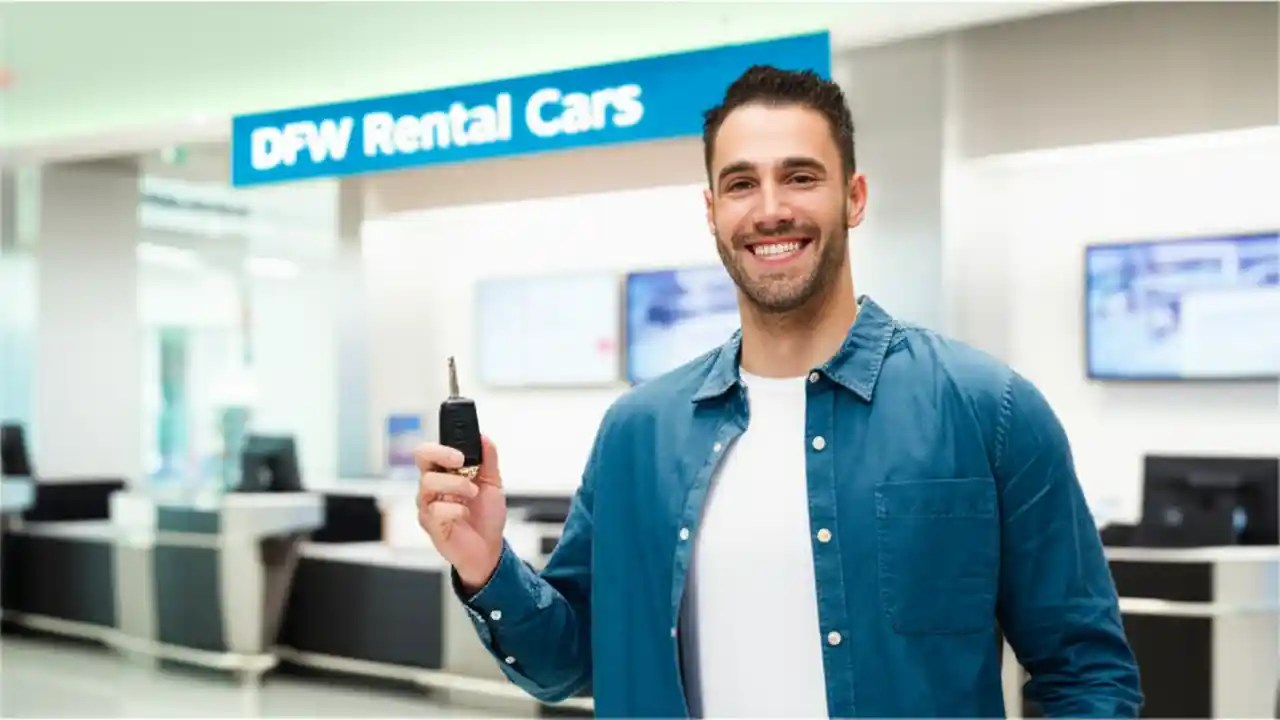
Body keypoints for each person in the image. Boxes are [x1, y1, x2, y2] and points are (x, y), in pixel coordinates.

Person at [415, 65, 1143, 718]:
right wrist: (486, 564)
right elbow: (567, 664)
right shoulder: (638, 432)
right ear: (712, 212)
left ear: (853, 197)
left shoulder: (991, 412)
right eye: (741, 183)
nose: (769, 210)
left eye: (800, 177)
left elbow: (1087, 674)